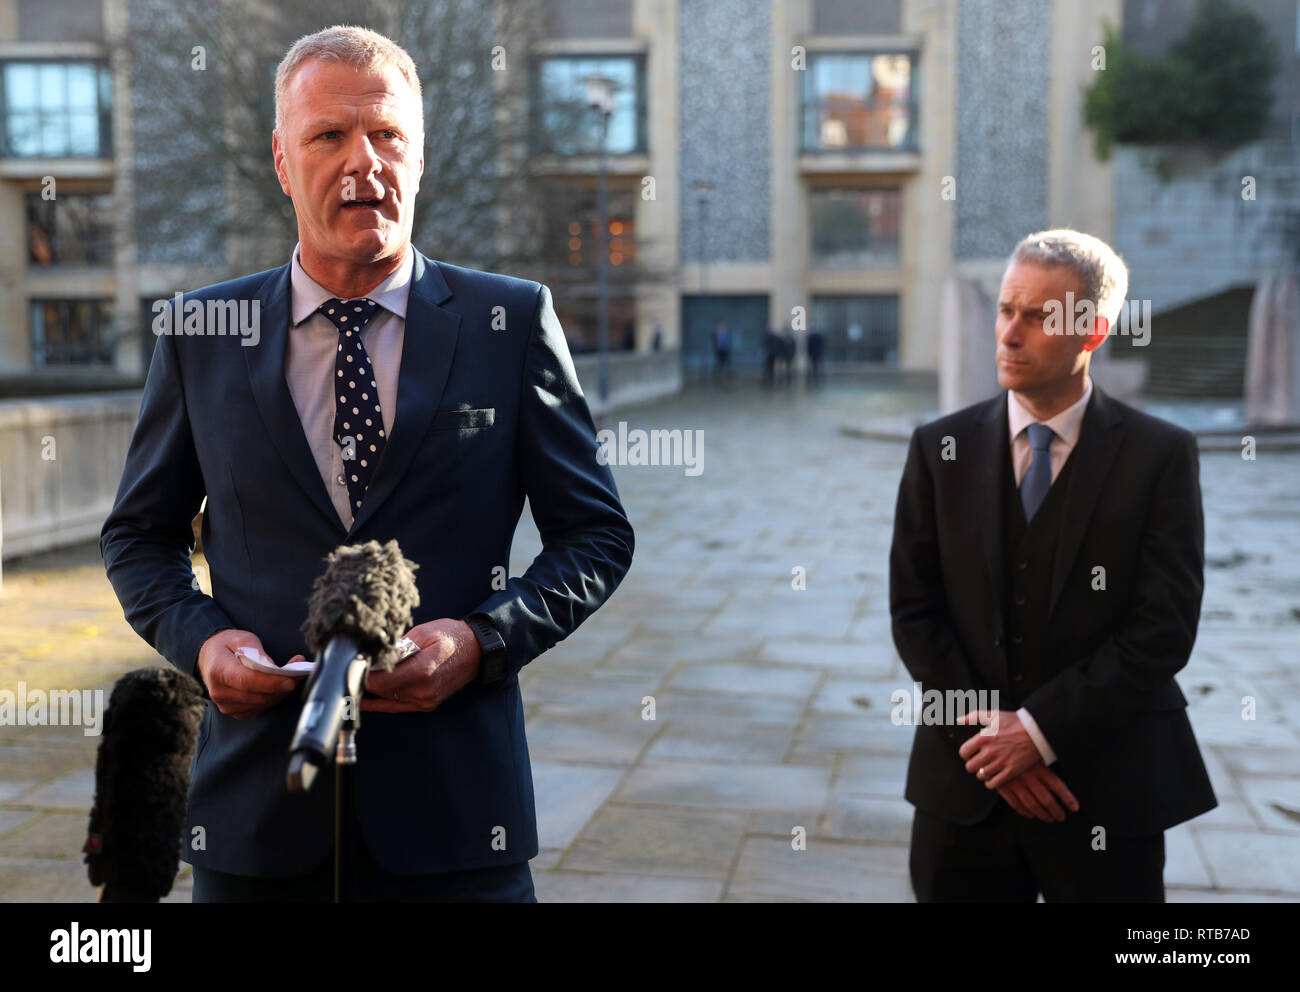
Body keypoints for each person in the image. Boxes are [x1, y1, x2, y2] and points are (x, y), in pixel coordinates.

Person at [99, 25, 634, 902]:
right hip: (255, 824)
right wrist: (200, 646)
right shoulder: (201, 331)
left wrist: (483, 640)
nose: (364, 163)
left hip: (460, 821)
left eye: (388, 136)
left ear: (418, 157)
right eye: (328, 136)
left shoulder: (512, 321)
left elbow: (597, 536)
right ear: (281, 158)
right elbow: (138, 536)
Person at [889, 229, 1216, 902]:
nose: (1009, 334)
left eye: (1037, 317)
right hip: (966, 785)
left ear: (1091, 333)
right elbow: (916, 614)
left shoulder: (1160, 456)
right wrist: (997, 746)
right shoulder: (937, 448)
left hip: (1102, 790)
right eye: (1007, 310)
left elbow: (1163, 629)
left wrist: (1038, 734)